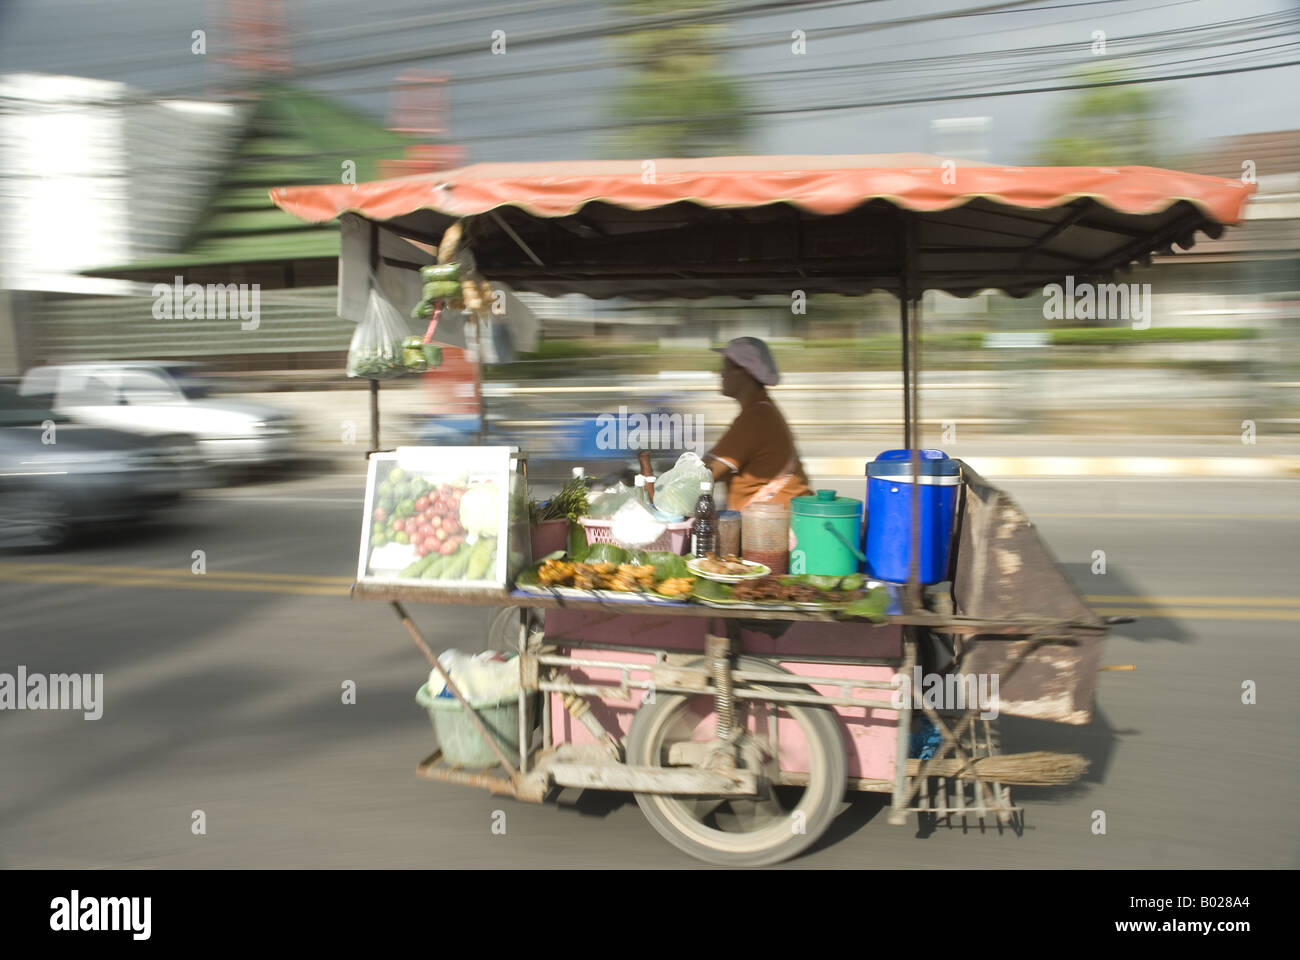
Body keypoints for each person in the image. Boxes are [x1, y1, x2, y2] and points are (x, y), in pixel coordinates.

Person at [704, 337, 814, 510]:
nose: (721, 373)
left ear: (745, 371)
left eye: (725, 367)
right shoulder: (762, 409)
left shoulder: (756, 416)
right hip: (771, 517)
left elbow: (707, 472)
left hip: (769, 526)